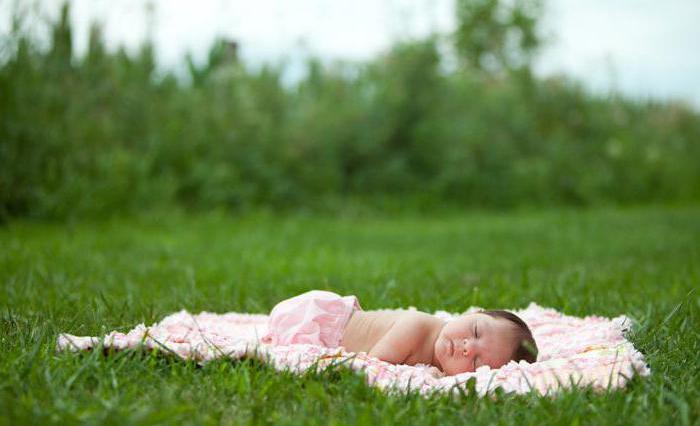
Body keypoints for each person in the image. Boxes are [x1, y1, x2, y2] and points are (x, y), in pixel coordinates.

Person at [261, 290, 538, 375]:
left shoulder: (438, 361)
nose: (467, 347)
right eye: (475, 331)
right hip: (318, 322)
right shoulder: (417, 327)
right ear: (474, 313)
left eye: (476, 362)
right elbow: (373, 365)